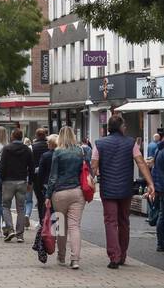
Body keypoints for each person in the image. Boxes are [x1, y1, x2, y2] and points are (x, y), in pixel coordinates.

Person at [91, 115, 155, 269]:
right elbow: (140, 162)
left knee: (110, 222)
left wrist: (89, 183)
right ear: (120, 127)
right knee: (124, 221)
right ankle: (122, 255)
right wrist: (150, 182)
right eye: (124, 125)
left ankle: (114, 256)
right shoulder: (130, 143)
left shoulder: (99, 144)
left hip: (107, 189)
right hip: (125, 189)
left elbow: (93, 166)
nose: (126, 127)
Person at [47, 127, 89, 268]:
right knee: (74, 226)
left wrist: (48, 195)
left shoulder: (58, 152)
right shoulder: (81, 151)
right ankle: (75, 259)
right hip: (77, 192)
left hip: (60, 193)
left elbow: (53, 176)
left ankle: (61, 257)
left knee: (61, 226)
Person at [0, 127, 34, 242]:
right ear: (21, 137)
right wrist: (30, 182)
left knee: (5, 206)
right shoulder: (27, 150)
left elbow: (2, 166)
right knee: (21, 208)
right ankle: (20, 235)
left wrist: (3, 178)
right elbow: (31, 167)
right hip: (22, 181)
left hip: (8, 181)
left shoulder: (7, 149)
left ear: (13, 137)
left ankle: (10, 229)